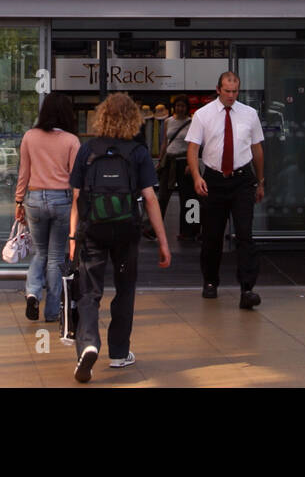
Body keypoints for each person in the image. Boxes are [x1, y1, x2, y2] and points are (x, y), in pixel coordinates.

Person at [68, 93, 170, 382]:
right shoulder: (137, 152)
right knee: (125, 290)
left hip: (92, 230)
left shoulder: (87, 150)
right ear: (133, 120)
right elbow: (150, 198)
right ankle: (119, 353)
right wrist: (163, 241)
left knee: (89, 291)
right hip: (126, 231)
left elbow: (76, 197)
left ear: (101, 117)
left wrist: (72, 238)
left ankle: (88, 343)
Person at [185, 70, 265, 309]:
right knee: (212, 235)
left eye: (235, 91)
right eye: (227, 91)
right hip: (214, 179)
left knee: (244, 234)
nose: (231, 95)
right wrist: (197, 176)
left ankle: (247, 289)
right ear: (218, 89)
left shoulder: (249, 114)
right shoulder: (203, 114)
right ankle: (210, 281)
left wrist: (260, 182)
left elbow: (257, 150)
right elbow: (192, 149)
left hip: (242, 179)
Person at [15, 92, 81, 324]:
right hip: (62, 200)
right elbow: (76, 180)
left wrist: (18, 201)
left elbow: (24, 172)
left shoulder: (30, 136)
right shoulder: (72, 141)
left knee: (40, 253)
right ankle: (52, 311)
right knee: (55, 258)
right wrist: (77, 209)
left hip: (33, 199)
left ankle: (32, 292)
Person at [156, 94, 195, 240]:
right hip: (169, 161)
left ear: (187, 108)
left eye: (183, 106)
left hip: (185, 161)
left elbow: (194, 144)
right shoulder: (168, 121)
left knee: (190, 198)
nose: (180, 108)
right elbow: (165, 143)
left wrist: (192, 165)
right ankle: (153, 229)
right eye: (178, 105)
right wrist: (160, 160)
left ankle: (191, 230)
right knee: (162, 196)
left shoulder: (192, 122)